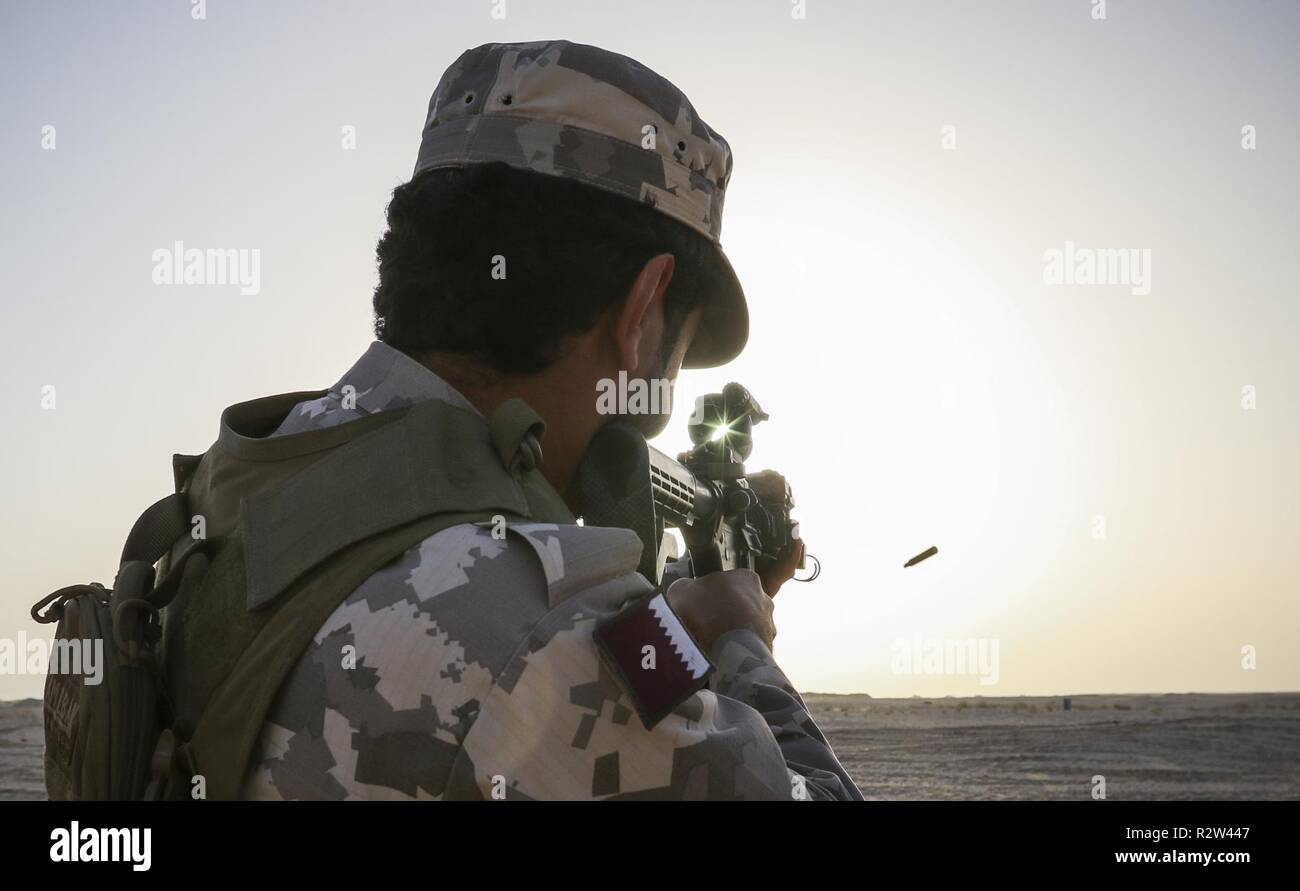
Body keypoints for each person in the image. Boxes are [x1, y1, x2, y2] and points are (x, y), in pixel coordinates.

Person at [177, 39, 861, 800]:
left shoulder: (232, 487)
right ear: (641, 309)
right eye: (685, 345)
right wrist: (740, 633)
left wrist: (662, 624)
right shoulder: (540, 638)